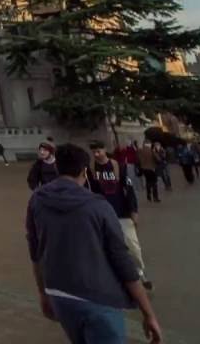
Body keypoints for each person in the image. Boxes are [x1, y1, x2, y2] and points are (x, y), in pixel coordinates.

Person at [27, 143, 162, 344]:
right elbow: (122, 260)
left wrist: (43, 293)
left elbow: (36, 253)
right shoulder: (97, 205)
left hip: (59, 294)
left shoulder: (37, 199)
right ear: (84, 171)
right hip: (97, 297)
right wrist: (148, 312)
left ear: (57, 168)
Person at [88, 143, 153, 292]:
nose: (96, 154)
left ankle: (141, 273)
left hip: (122, 213)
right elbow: (87, 190)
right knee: (106, 248)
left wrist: (133, 210)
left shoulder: (119, 167)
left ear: (105, 150)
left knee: (133, 246)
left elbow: (129, 189)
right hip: (101, 215)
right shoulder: (89, 170)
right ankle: (117, 279)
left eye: (98, 151)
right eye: (94, 152)